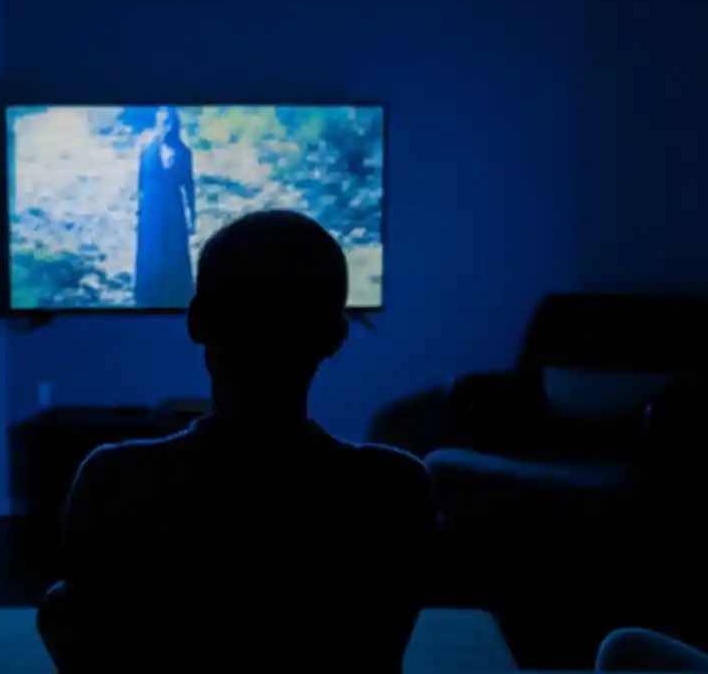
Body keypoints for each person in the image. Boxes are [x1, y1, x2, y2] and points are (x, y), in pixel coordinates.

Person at [38, 211, 435, 673]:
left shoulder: (111, 479)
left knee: (59, 604)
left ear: (196, 322)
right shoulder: (397, 489)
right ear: (335, 336)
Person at [133, 106, 197, 308]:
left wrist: (193, 215)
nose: (164, 126)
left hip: (173, 208)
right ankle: (147, 293)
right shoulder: (147, 151)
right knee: (151, 250)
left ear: (174, 123)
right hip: (151, 208)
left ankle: (177, 292)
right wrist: (139, 211)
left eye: (168, 122)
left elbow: (189, 185)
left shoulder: (184, 152)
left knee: (173, 248)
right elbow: (140, 183)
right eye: (161, 122)